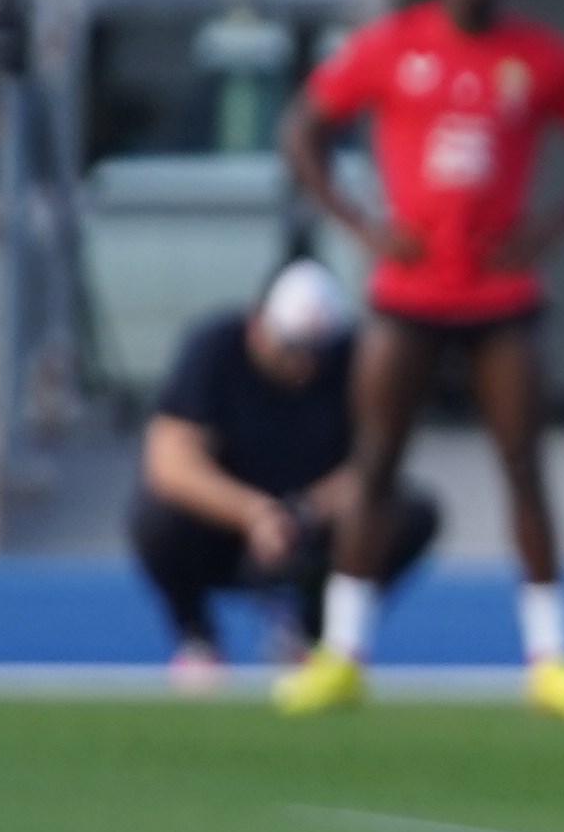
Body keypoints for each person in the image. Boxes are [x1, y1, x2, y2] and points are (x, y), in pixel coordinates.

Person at [268, 0, 564, 721]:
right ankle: (343, 652)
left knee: (523, 467)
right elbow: (303, 131)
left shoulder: (537, 58)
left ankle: (548, 657)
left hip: (501, 295)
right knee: (376, 466)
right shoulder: (393, 49)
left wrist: (545, 234)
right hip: (409, 293)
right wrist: (361, 222)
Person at [128, 259, 441, 692]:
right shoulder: (215, 349)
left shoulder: (357, 361)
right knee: (157, 516)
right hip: (224, 530)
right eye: (291, 348)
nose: (305, 365)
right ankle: (196, 637)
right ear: (259, 326)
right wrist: (254, 513)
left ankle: (313, 635)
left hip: (318, 529)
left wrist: (306, 512)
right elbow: (170, 459)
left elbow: (379, 459)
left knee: (407, 513)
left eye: (318, 352)